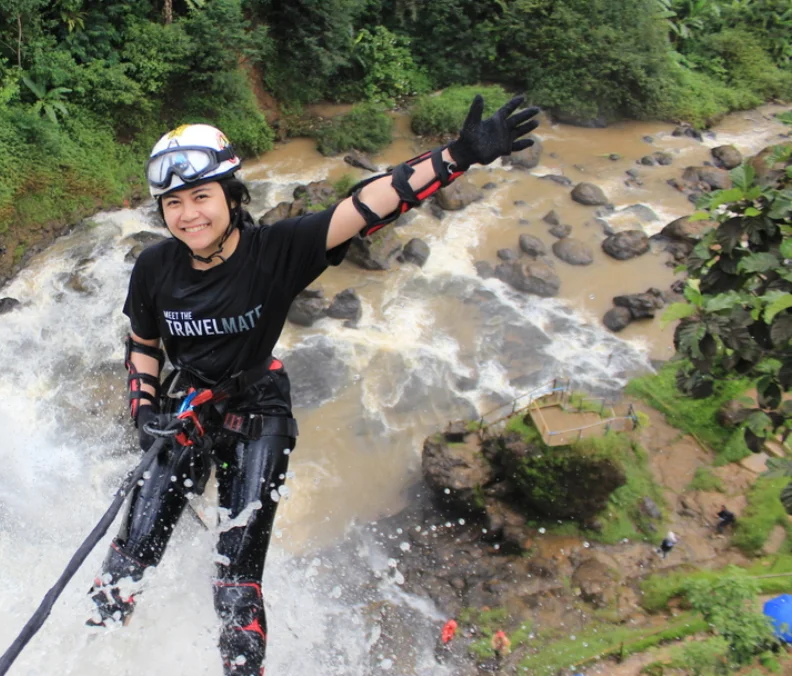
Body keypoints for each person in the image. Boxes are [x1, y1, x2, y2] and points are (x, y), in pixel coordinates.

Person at [86, 95, 539, 675]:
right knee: (129, 556)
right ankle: (93, 647)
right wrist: (144, 410)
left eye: (201, 197)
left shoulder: (276, 250)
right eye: (173, 203)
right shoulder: (154, 267)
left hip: (257, 412)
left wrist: (458, 156)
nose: (188, 215)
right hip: (185, 407)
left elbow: (368, 205)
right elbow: (144, 344)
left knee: (236, 583)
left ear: (231, 196)